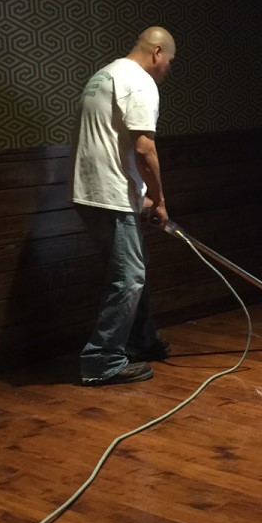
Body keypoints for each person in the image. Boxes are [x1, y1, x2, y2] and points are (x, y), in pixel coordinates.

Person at [71, 26, 176, 385]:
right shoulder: (140, 82)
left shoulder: (105, 75)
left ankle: (140, 340)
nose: (167, 70)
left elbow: (111, 144)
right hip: (108, 194)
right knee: (129, 277)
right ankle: (101, 359)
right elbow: (145, 148)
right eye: (169, 63)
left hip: (92, 191)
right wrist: (160, 200)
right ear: (158, 53)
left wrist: (140, 195)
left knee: (134, 268)